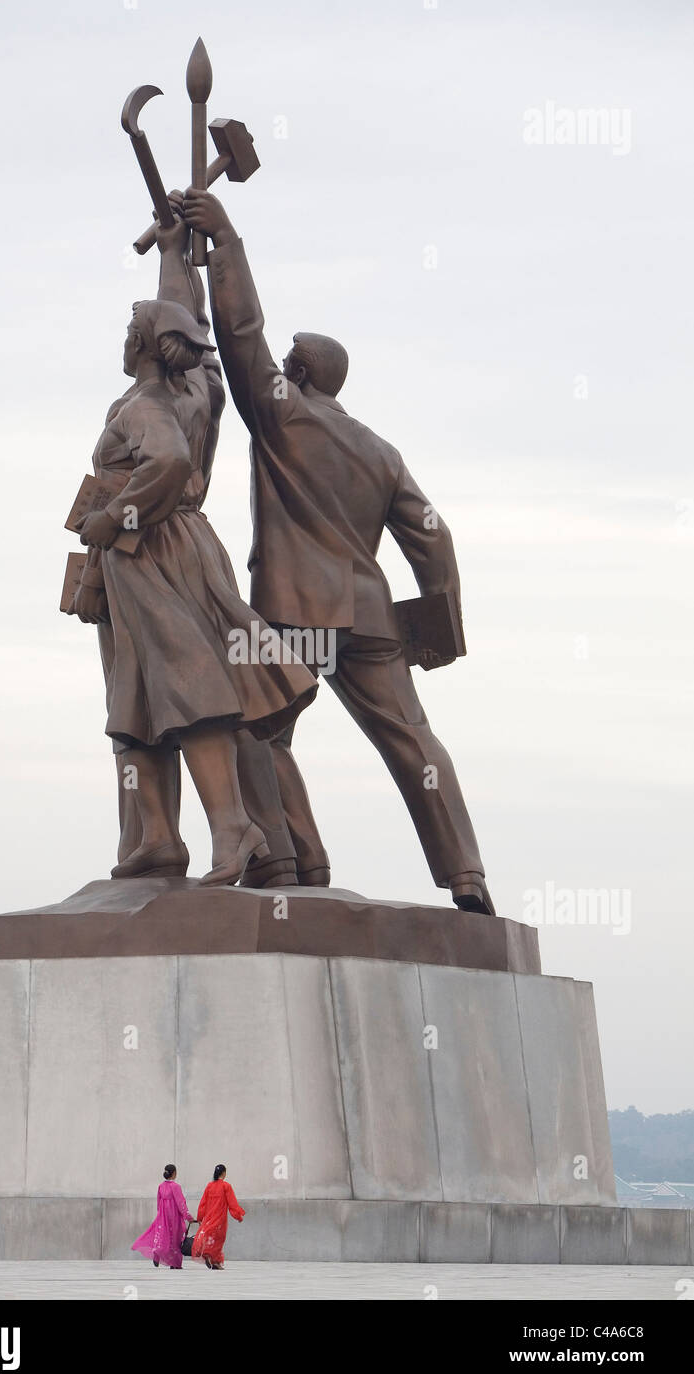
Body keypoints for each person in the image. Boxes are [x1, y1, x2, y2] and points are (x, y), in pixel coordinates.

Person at [181, 188, 494, 913]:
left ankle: (285, 865)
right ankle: (466, 875)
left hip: (297, 613)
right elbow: (431, 534)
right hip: (373, 618)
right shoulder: (380, 451)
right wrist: (436, 628)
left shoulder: (284, 416)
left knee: (245, 718)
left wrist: (224, 241)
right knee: (412, 742)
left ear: (302, 375)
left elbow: (239, 331)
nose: (278, 368)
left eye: (287, 361)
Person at [68, 209, 317, 885]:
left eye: (132, 330)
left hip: (148, 548)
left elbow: (170, 462)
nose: (124, 338)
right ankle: (155, 838)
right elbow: (183, 314)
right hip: (157, 550)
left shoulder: (148, 406)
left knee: (184, 683)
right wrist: (176, 253)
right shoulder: (196, 391)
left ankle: (231, 827)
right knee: (137, 698)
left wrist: (114, 516)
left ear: (150, 344)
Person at [131, 1164, 194, 1269]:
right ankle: (175, 1263)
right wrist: (188, 1217)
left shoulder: (161, 1186)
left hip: (162, 1217)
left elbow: (158, 1203)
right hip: (174, 1218)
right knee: (176, 1240)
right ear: (174, 1173)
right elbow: (181, 1204)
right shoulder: (176, 1187)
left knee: (163, 1237)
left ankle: (157, 1252)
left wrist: (161, 1216)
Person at [192, 1163, 245, 1270]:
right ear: (224, 1173)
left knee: (211, 1237)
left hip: (209, 1218)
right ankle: (213, 1258)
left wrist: (200, 1217)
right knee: (219, 1239)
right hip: (220, 1218)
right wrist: (238, 1216)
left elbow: (203, 1203)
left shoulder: (209, 1186)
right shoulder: (226, 1186)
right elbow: (232, 1203)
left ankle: (213, 1259)